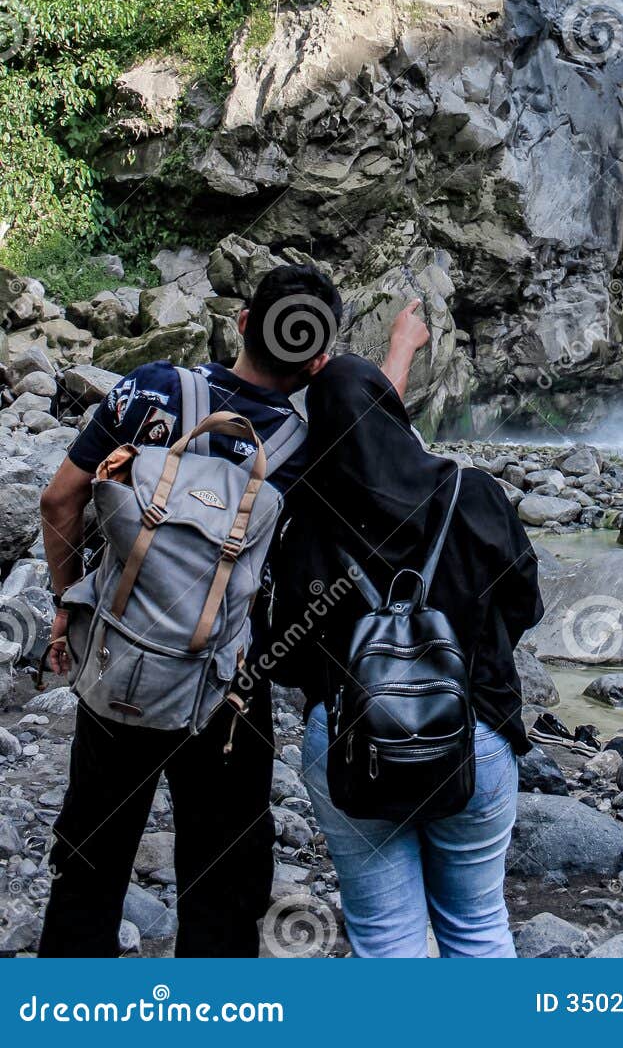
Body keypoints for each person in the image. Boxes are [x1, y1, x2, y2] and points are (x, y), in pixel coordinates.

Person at [38, 264, 429, 958]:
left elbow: (58, 501)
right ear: (317, 360)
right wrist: (402, 345)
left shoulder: (151, 389)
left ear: (243, 322)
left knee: (89, 866)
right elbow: (378, 419)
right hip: (232, 679)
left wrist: (66, 605)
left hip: (119, 661)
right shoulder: (312, 436)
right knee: (223, 885)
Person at [280, 353, 543, 959]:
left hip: (351, 743)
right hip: (473, 731)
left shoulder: (307, 519)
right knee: (478, 924)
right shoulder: (473, 494)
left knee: (383, 936)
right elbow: (524, 605)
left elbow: (286, 657)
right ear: (396, 416)